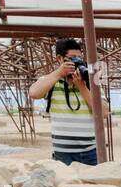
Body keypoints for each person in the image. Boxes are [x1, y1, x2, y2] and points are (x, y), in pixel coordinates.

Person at [29, 37, 99, 166]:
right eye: (72, 58)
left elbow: (103, 113)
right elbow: (34, 93)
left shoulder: (90, 82)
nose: (77, 62)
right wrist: (59, 73)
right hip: (63, 153)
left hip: (90, 151)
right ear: (60, 59)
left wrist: (82, 87)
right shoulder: (51, 81)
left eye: (79, 58)